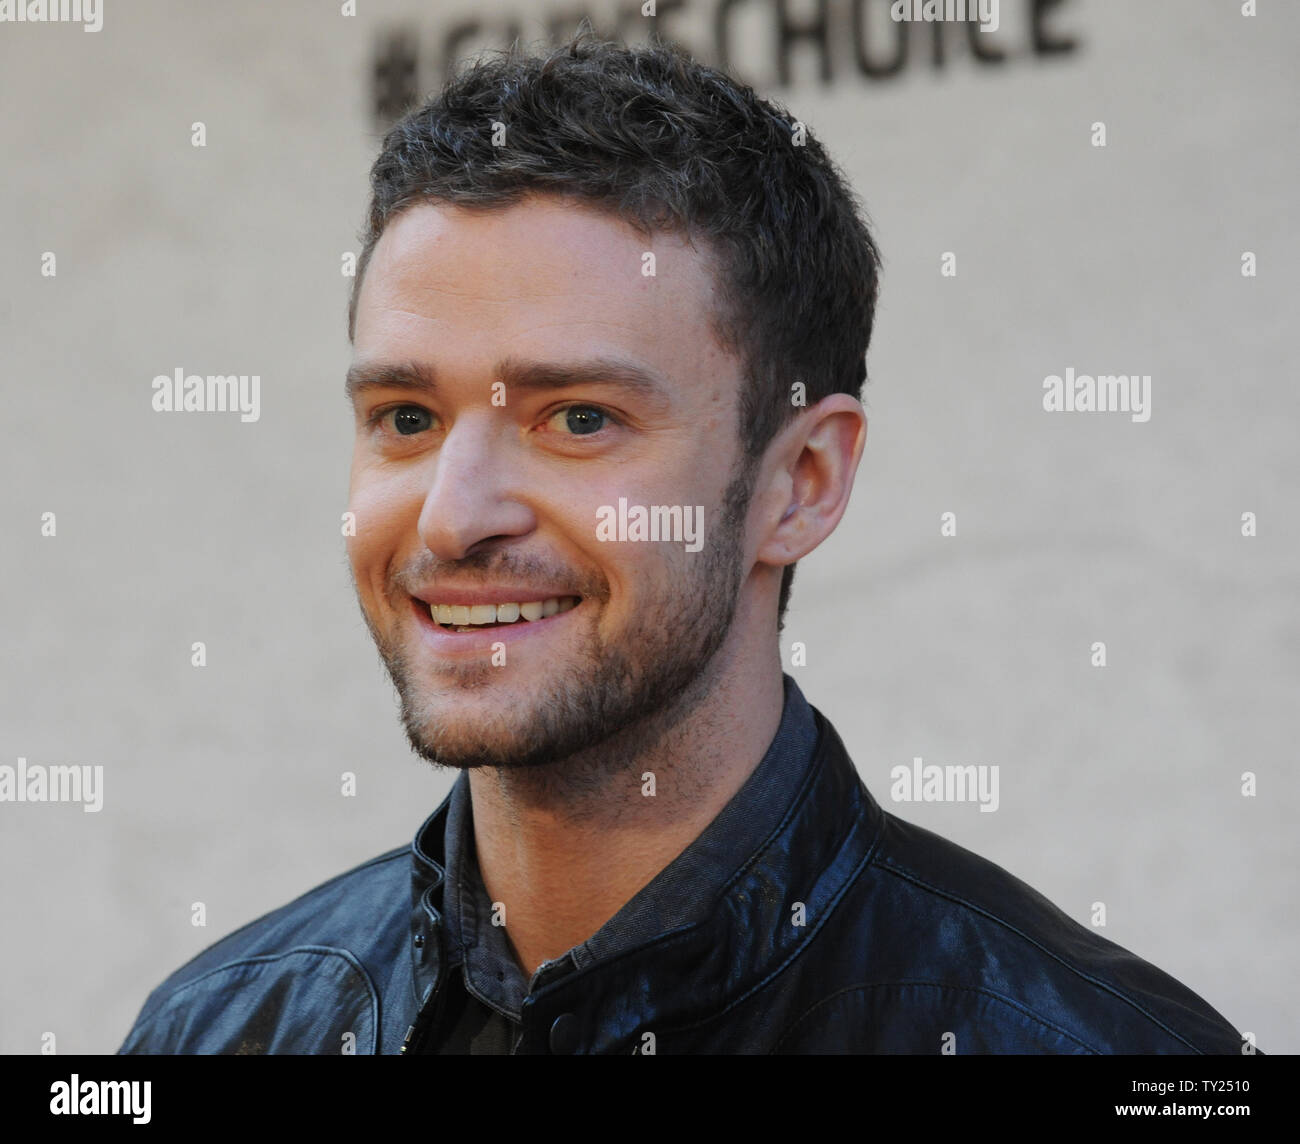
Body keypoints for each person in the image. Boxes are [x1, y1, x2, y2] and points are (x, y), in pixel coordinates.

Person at [119, 32, 1248, 1055]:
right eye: (406, 419)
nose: (454, 517)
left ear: (798, 483)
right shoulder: (216, 1031)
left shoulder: (1092, 1048)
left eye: (578, 419)